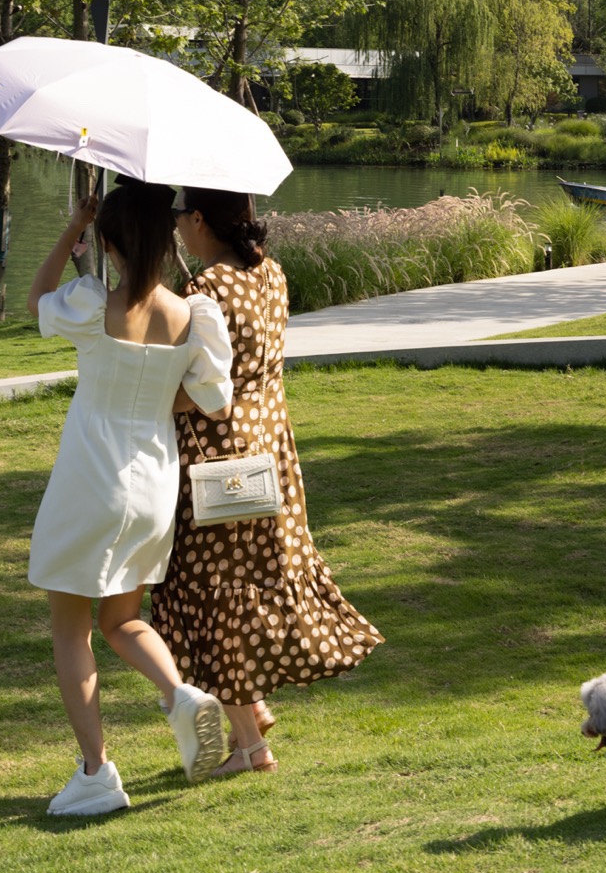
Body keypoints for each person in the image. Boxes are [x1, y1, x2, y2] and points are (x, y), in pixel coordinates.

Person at [152, 186, 384, 777]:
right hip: (271, 445)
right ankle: (249, 708)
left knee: (216, 589)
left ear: (200, 220)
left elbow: (197, 387)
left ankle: (252, 745)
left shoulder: (205, 291)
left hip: (220, 452)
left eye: (180, 215)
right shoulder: (272, 275)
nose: (177, 225)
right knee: (250, 577)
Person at [27, 181, 236, 818]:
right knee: (120, 620)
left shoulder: (93, 303)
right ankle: (180, 695)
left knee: (71, 629)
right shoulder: (192, 315)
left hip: (92, 479)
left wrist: (73, 229)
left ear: (111, 244)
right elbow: (214, 398)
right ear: (168, 237)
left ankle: (96, 774)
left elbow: (36, 302)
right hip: (152, 483)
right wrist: (152, 394)